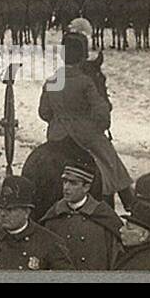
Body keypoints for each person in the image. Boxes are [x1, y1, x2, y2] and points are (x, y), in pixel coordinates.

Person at [37, 31, 133, 210]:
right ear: (82, 58)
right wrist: (99, 124)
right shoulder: (85, 82)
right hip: (83, 135)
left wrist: (59, 118)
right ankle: (130, 202)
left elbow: (43, 112)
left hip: (56, 135)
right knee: (110, 158)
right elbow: (101, 114)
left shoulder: (51, 82)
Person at [0, 175, 73, 270]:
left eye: (10, 210)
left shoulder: (49, 243)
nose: (3, 214)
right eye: (0, 208)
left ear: (26, 212)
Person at [38, 162, 122, 270]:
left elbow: (115, 260)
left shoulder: (104, 218)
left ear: (86, 187)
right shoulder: (53, 217)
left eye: (73, 183)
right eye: (64, 181)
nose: (66, 188)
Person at [114, 202, 150, 270]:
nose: (121, 230)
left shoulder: (145, 265)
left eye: (128, 228)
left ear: (144, 235)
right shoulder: (141, 255)